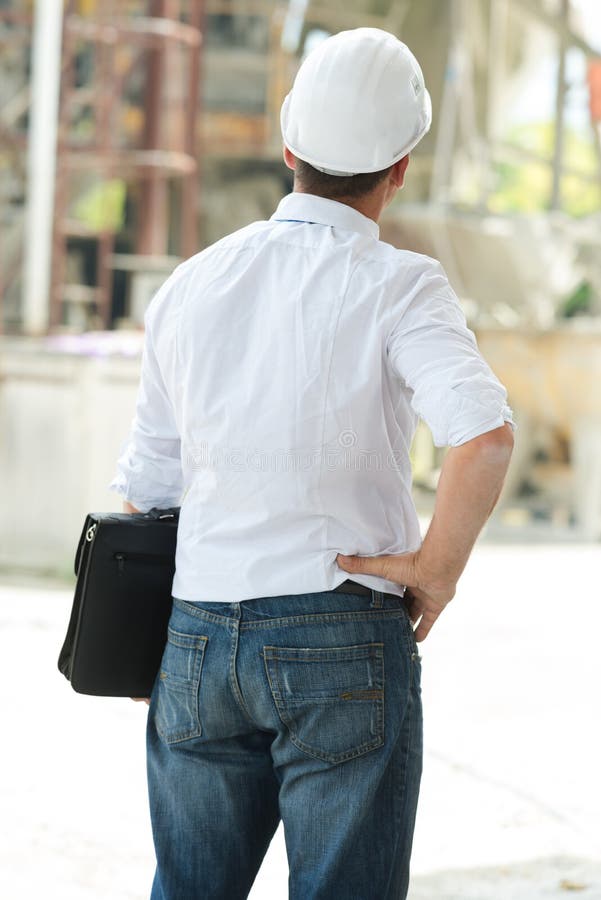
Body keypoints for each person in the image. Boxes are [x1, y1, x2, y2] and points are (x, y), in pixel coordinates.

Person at [110, 27, 515, 900]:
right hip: (342, 632)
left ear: (287, 145)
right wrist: (434, 573)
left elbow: (149, 488)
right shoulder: (401, 285)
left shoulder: (190, 284)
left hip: (197, 632)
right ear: (400, 166)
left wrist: (170, 651)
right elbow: (482, 438)